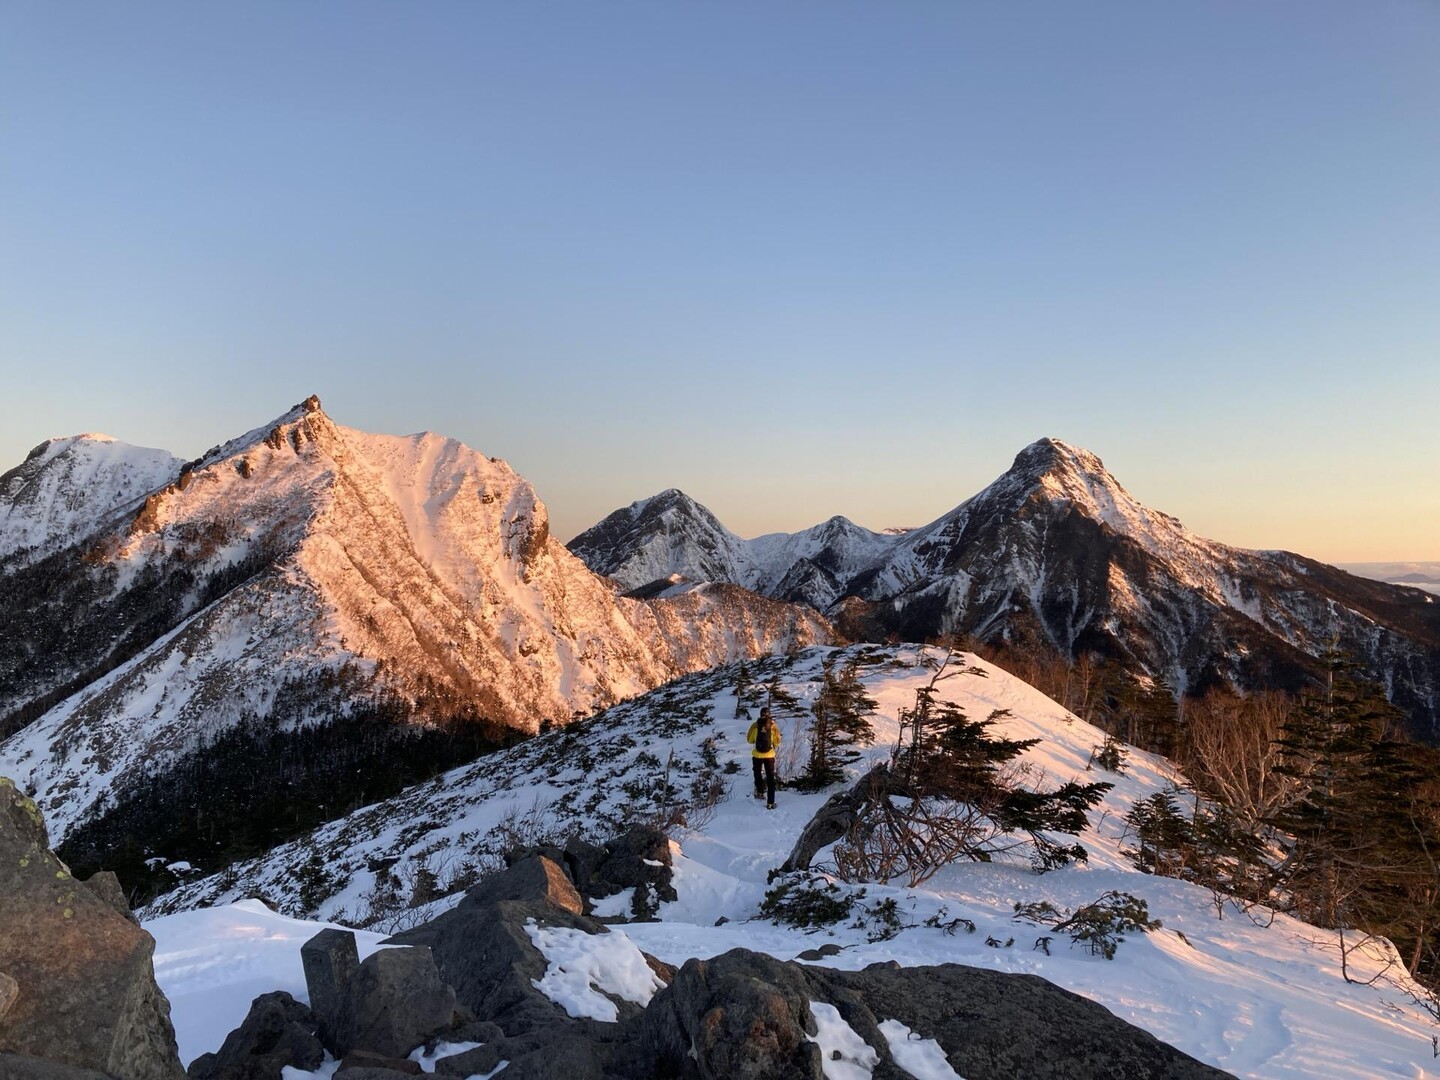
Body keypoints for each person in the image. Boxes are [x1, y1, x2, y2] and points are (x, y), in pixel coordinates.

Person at [747, 706, 781, 809]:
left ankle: (760, 792)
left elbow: (749, 740)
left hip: (757, 754)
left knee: (757, 774)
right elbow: (777, 742)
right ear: (769, 714)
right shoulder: (773, 726)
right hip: (769, 755)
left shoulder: (755, 725)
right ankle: (770, 802)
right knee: (770, 778)